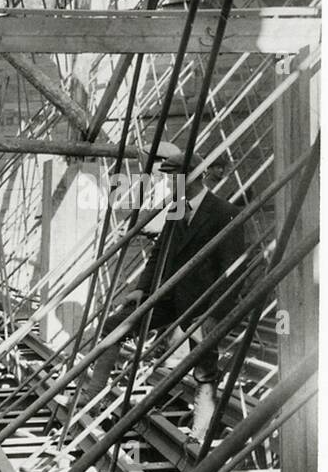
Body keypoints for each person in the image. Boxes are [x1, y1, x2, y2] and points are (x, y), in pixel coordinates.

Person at [76, 162, 252, 445]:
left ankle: (200, 431)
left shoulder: (224, 212)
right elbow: (159, 253)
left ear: (198, 176)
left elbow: (234, 270)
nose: (173, 184)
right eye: (171, 179)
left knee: (204, 366)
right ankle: (92, 397)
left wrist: (215, 313)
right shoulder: (177, 209)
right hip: (168, 296)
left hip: (202, 302)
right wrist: (141, 289)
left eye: (179, 178)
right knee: (114, 326)